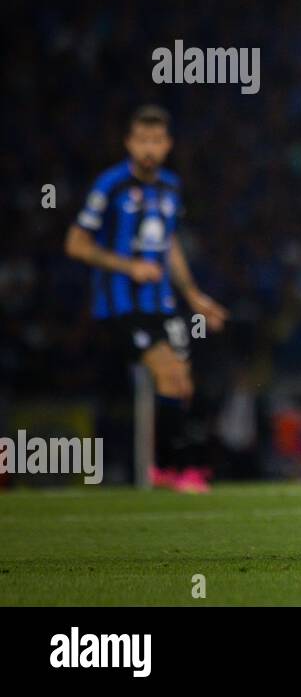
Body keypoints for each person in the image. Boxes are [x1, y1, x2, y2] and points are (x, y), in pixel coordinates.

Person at [65, 105, 229, 492]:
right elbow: (76, 243)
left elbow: (169, 244)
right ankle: (167, 469)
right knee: (168, 372)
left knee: (183, 383)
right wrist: (128, 267)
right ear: (129, 143)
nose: (149, 148)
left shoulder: (171, 186)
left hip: (163, 303)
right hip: (122, 304)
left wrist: (193, 295)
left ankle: (170, 470)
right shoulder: (110, 185)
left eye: (156, 140)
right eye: (142, 141)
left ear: (168, 144)